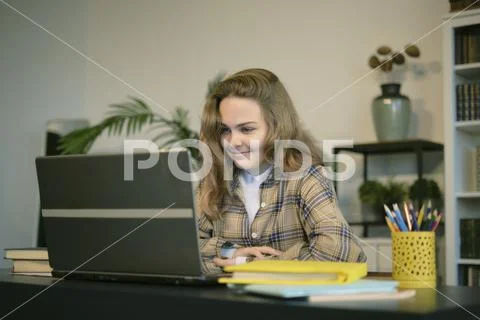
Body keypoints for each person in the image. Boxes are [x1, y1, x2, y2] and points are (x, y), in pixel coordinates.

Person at [196, 68, 366, 274]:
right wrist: (230, 251)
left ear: (277, 127)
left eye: (247, 129)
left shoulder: (307, 178)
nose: (233, 142)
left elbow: (341, 256)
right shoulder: (213, 182)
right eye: (225, 130)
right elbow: (184, 255)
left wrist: (250, 264)